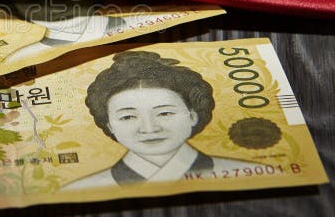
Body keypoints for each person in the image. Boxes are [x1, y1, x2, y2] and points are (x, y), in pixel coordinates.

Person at [64, 51, 260, 189]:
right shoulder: (76, 191)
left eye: (165, 113)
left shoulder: (250, 174)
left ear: (192, 116)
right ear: (109, 125)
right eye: (128, 116)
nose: (149, 128)